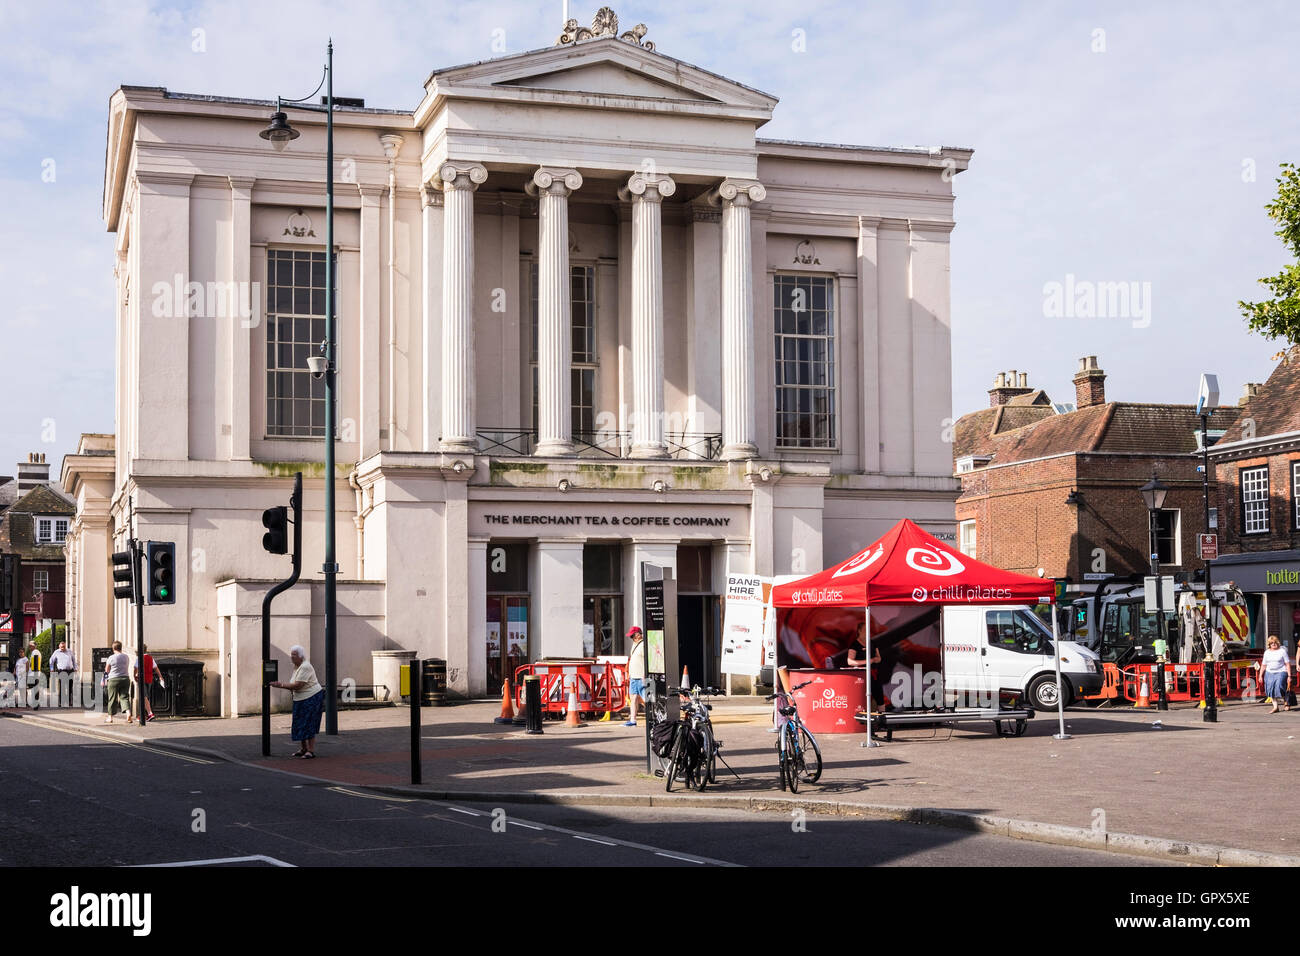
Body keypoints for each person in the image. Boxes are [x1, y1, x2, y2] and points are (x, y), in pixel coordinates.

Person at [269, 645, 324, 757]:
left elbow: (298, 685)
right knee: (299, 723)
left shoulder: (305, 667)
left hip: (311, 697)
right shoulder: (296, 667)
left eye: (294, 655)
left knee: (309, 723)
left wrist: (281, 685)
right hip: (300, 698)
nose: (292, 657)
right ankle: (303, 748)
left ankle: (311, 751)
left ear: (301, 656)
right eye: (291, 654)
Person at [1258, 635, 1291, 714]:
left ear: (1278, 643)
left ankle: (1286, 701)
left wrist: (1289, 676)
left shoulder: (1282, 651)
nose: (1273, 644)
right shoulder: (1267, 652)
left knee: (1280, 686)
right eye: (1271, 643)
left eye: (1275, 642)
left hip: (1281, 671)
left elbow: (1287, 664)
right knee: (1270, 690)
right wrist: (1260, 676)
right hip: (1269, 672)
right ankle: (1275, 707)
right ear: (1269, 644)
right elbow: (1263, 665)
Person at [132, 645, 165, 722]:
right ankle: (143, 715)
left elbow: (135, 668)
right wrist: (160, 676)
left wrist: (134, 676)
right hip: (149, 679)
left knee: (144, 696)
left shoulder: (139, 658)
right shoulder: (151, 658)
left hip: (142, 679)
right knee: (145, 696)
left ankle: (150, 713)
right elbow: (156, 668)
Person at [103, 641, 131, 724]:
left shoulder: (111, 658)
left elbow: (107, 670)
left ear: (113, 648)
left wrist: (104, 678)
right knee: (124, 697)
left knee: (112, 698)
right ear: (121, 647)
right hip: (125, 678)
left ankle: (110, 717)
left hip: (113, 679)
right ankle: (128, 713)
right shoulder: (126, 657)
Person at [624, 626, 645, 727]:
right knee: (633, 697)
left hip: (641, 676)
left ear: (637, 634)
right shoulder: (635, 644)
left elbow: (647, 661)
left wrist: (645, 674)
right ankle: (632, 720)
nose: (632, 638)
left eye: (632, 636)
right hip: (634, 675)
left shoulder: (644, 645)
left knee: (647, 699)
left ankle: (654, 717)